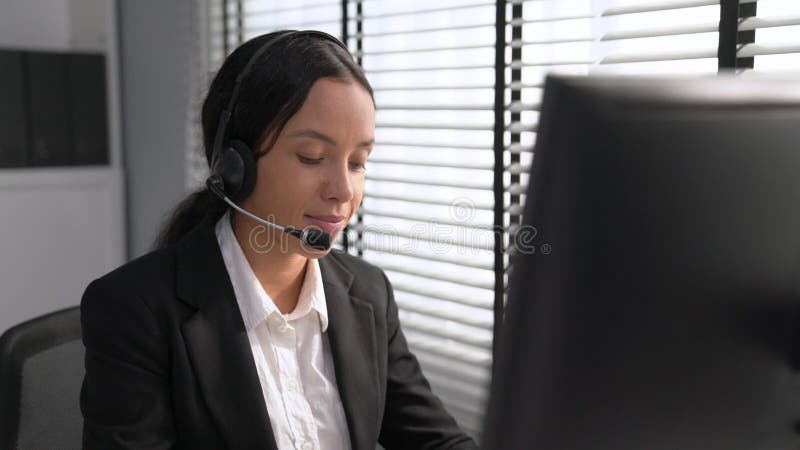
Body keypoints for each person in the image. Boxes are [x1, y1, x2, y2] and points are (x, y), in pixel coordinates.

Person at [79, 30, 478, 450]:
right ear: (236, 165)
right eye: (312, 157)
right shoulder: (134, 310)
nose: (343, 190)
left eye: (358, 162)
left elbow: (439, 442)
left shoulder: (368, 295)